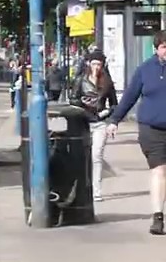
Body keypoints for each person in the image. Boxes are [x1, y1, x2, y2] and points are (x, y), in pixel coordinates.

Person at [107, 31, 166, 235]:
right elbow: (130, 96)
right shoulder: (145, 70)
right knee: (160, 170)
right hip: (152, 129)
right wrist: (114, 120)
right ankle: (158, 216)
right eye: (164, 47)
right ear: (156, 49)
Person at [69, 49, 118, 201]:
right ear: (89, 64)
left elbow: (115, 104)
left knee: (97, 156)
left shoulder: (107, 82)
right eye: (94, 63)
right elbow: (72, 99)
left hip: (100, 123)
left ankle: (96, 190)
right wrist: (84, 103)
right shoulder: (80, 80)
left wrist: (107, 112)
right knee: (82, 156)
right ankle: (82, 186)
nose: (96, 67)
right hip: (83, 122)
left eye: (99, 64)